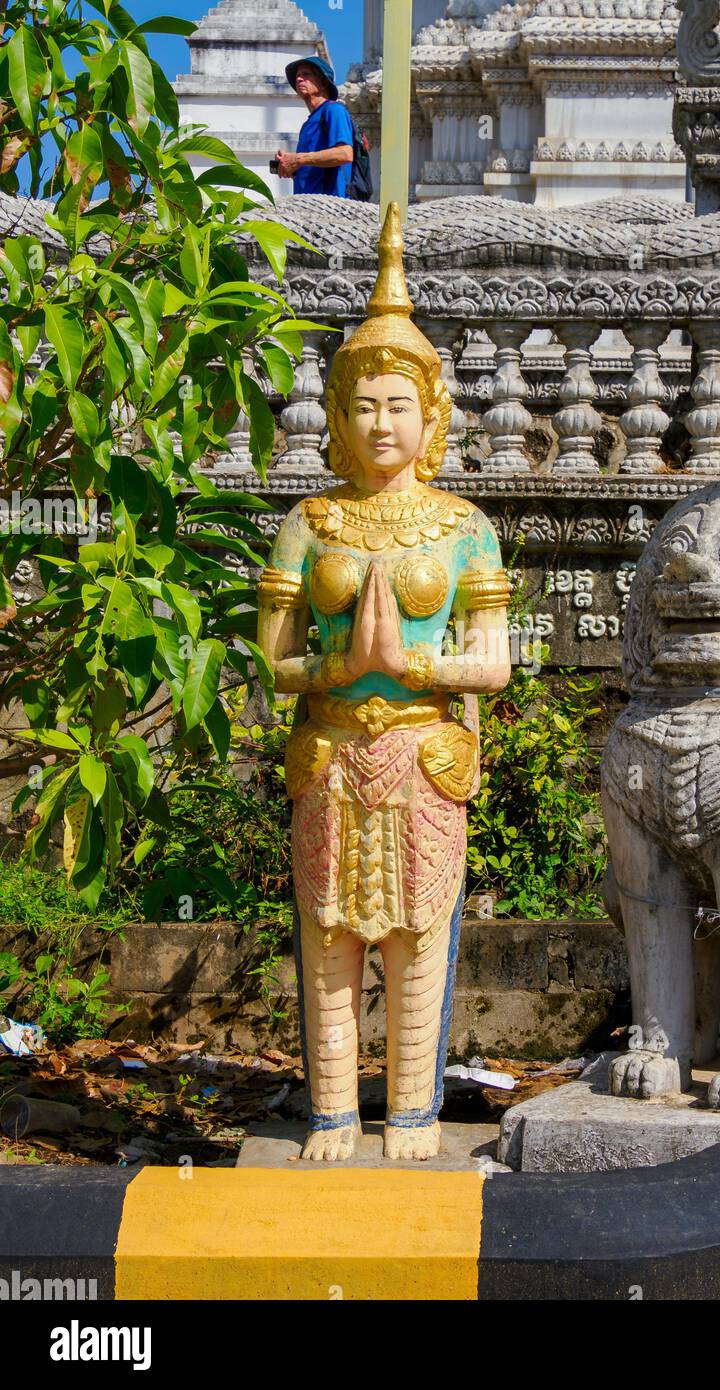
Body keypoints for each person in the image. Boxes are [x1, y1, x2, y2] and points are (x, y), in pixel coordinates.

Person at [256, 206, 512, 1162]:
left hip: (420, 746)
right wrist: (334, 666)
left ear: (430, 414)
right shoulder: (309, 519)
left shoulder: (461, 524)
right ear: (337, 412)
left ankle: (410, 1112)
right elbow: (271, 661)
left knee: (416, 933)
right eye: (362, 404)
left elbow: (495, 662)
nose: (379, 422)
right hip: (327, 746)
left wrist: (407, 664)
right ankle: (331, 1113)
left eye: (397, 404)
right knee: (329, 934)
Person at [275, 55, 354, 197]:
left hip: (332, 206)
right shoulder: (307, 125)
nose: (299, 79)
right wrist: (290, 166)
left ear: (323, 82)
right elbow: (311, 170)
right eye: (298, 76)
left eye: (306, 75)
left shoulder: (334, 110)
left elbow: (345, 154)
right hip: (305, 205)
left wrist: (298, 159)